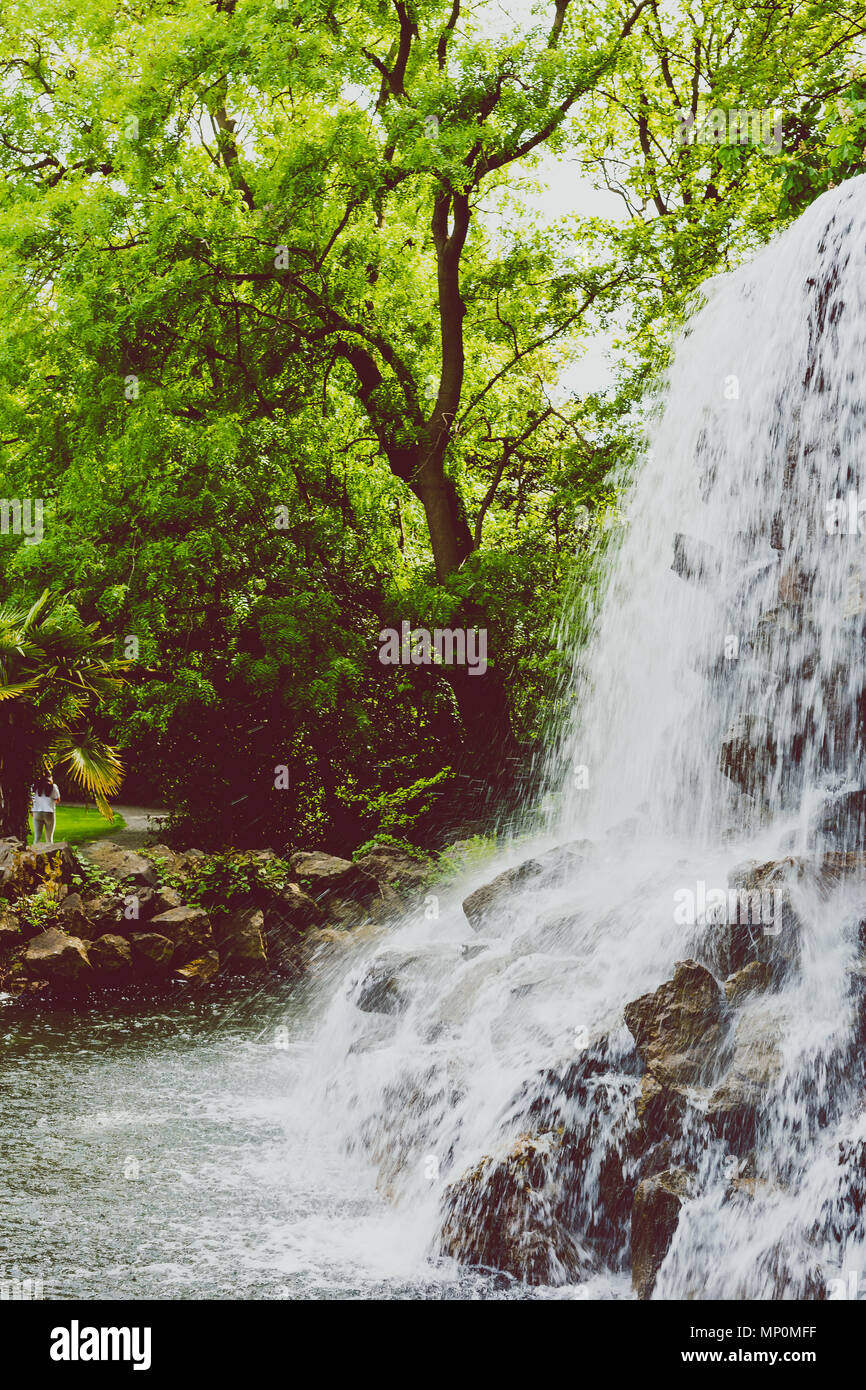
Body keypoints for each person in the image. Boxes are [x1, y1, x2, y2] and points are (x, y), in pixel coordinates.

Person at [31, 772, 61, 844]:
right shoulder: (53, 787)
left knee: (37, 838)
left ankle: (34, 854)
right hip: (49, 812)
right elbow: (58, 799)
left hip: (36, 812)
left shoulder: (34, 786)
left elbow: (31, 799)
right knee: (49, 838)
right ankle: (51, 854)